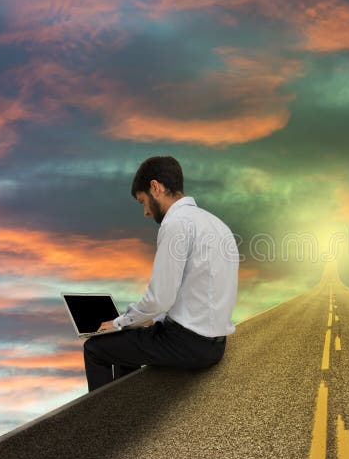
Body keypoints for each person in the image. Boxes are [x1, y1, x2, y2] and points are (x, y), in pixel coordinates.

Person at [82, 156, 239, 392]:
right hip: (216, 345)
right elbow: (195, 295)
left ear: (155, 188)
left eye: (143, 201)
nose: (145, 212)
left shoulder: (175, 223)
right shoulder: (216, 224)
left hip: (190, 345)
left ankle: (100, 424)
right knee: (130, 341)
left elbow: (161, 298)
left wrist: (119, 323)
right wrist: (142, 320)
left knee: (95, 348)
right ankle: (125, 406)